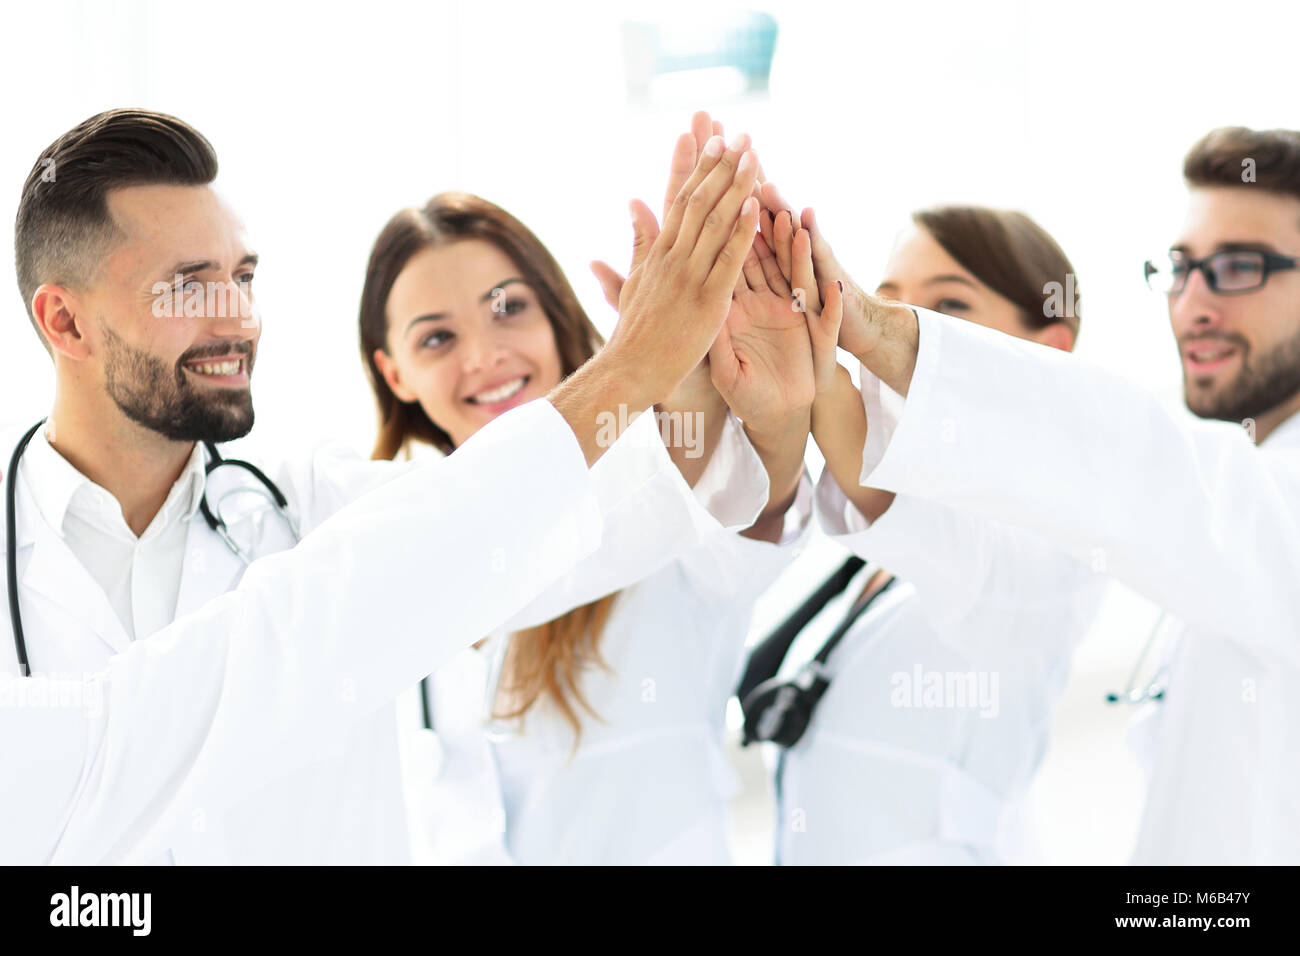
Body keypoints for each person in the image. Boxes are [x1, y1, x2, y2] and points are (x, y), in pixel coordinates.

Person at [0, 107, 766, 863]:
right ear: (66, 324)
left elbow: (554, 523)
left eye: (243, 277)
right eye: (190, 287)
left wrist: (680, 372)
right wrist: (633, 368)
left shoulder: (322, 507)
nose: (240, 320)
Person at [765, 125, 1300, 864]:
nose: (1194, 303)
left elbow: (1145, 473)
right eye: (1182, 268)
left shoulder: (1237, 501)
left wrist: (875, 332)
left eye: (1240, 267)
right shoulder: (1244, 494)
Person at [361, 116, 813, 864]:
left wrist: (686, 372)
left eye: (509, 308)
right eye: (436, 337)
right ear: (395, 374)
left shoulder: (650, 486)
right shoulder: (390, 537)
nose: (484, 355)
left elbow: (748, 505)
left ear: (558, 314)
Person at [739, 205, 1105, 864]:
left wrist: (812, 349)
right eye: (887, 301)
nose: (886, 332)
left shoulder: (1058, 534)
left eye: (948, 306)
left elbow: (883, 495)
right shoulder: (894, 531)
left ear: (1046, 351)